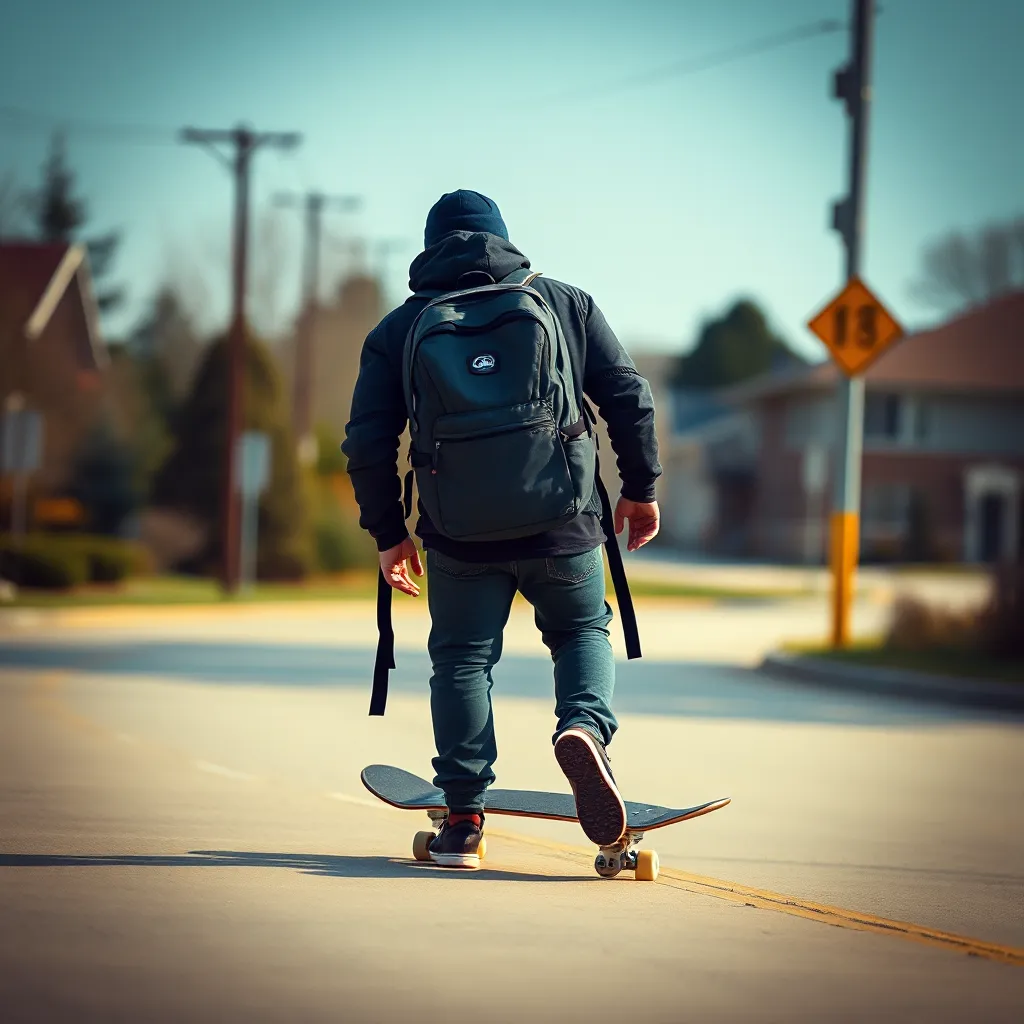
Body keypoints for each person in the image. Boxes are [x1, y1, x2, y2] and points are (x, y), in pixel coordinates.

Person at [343, 190, 661, 869]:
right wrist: (641, 488)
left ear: (429, 249)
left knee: (462, 660)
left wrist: (388, 532)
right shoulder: (565, 303)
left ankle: (461, 821)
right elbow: (628, 396)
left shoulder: (401, 329)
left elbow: (367, 443)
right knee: (580, 631)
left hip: (458, 536)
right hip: (563, 523)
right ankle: (583, 728)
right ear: (505, 240)